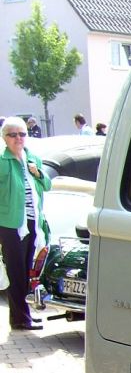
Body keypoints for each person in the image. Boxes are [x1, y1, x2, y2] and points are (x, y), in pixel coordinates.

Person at [0, 116, 51, 331]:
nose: (18, 138)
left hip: (31, 223)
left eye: (22, 134)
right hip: (11, 224)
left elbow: (47, 185)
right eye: (13, 134)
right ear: (4, 138)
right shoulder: (3, 161)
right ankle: (20, 318)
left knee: (25, 271)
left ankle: (22, 317)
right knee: (16, 272)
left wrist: (37, 173)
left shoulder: (32, 158)